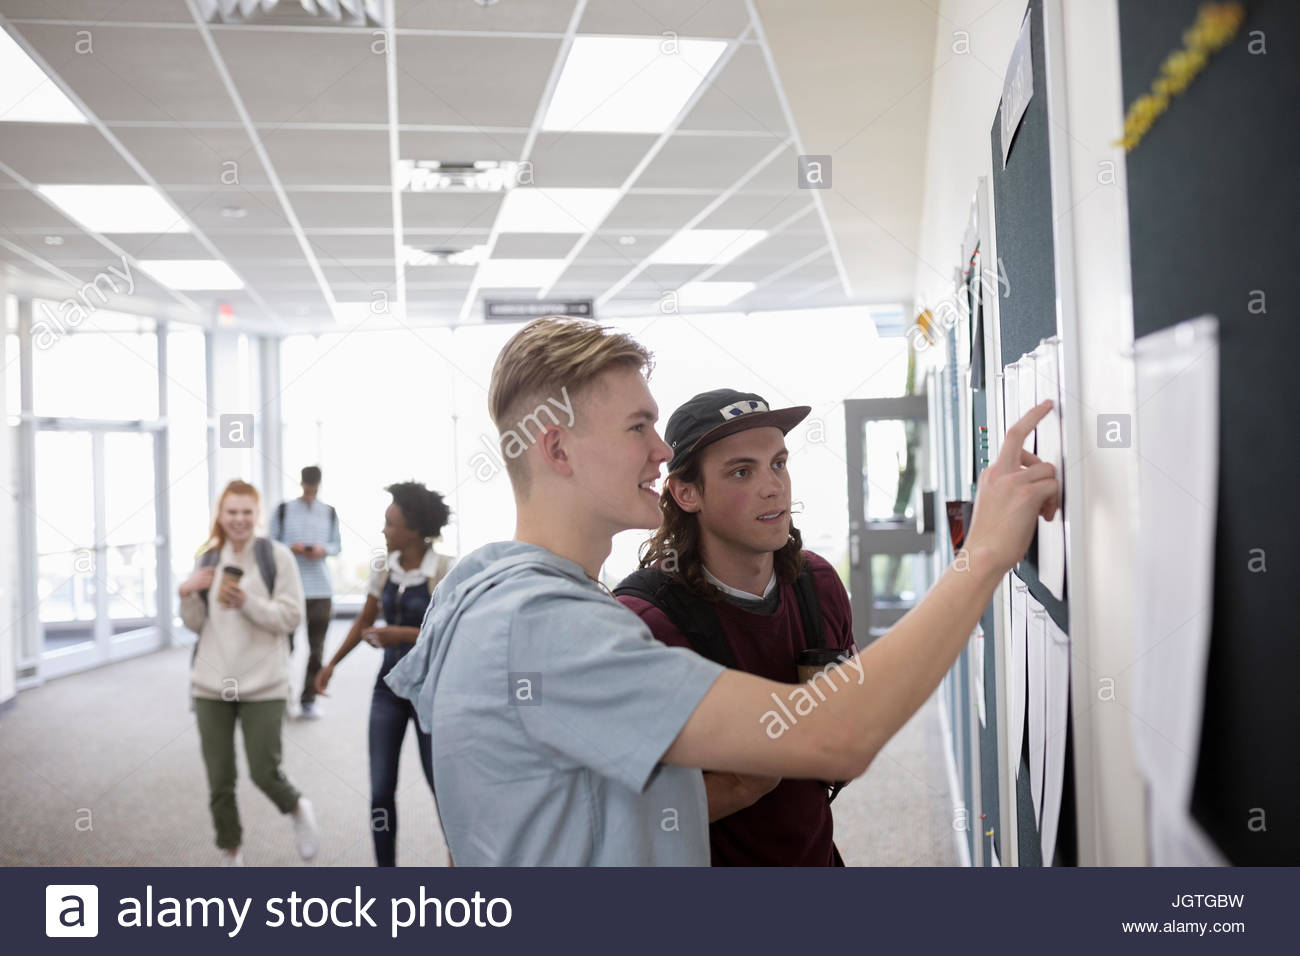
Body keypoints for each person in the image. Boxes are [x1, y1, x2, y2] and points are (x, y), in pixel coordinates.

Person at [386, 316, 1057, 866]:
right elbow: (839, 734)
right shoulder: (544, 626)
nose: (658, 450)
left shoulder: (490, 600)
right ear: (558, 451)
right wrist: (987, 552)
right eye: (636, 427)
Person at [615, 388, 856, 866]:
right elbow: (618, 817)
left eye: (779, 464)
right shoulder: (644, 623)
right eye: (742, 471)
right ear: (686, 493)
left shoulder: (820, 585)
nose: (773, 487)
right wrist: (743, 783)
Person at [179, 479, 319, 867]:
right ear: (220, 516)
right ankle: (232, 851)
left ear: (257, 516)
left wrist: (248, 602)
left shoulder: (277, 557)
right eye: (231, 512)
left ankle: (297, 807)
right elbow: (195, 624)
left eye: (246, 512)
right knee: (220, 780)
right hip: (210, 684)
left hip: (264, 684)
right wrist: (186, 592)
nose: (239, 519)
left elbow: (291, 618)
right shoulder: (207, 558)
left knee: (264, 771)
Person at [315, 482, 454, 867]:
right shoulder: (383, 566)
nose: (384, 530)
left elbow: (449, 632)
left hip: (430, 691)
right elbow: (364, 619)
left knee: (443, 791)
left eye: (390, 524)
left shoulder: (444, 570)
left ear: (413, 530)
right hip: (388, 687)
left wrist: (401, 634)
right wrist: (331, 664)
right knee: (380, 792)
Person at [270, 465, 342, 719]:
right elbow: (270, 545)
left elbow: (337, 546)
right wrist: (292, 548)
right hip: (289, 588)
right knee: (284, 646)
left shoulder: (329, 513)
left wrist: (323, 550)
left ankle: (309, 698)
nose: (310, 489)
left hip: (321, 589)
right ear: (301, 483)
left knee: (317, 648)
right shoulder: (282, 510)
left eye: (314, 486)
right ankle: (281, 695)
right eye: (306, 485)